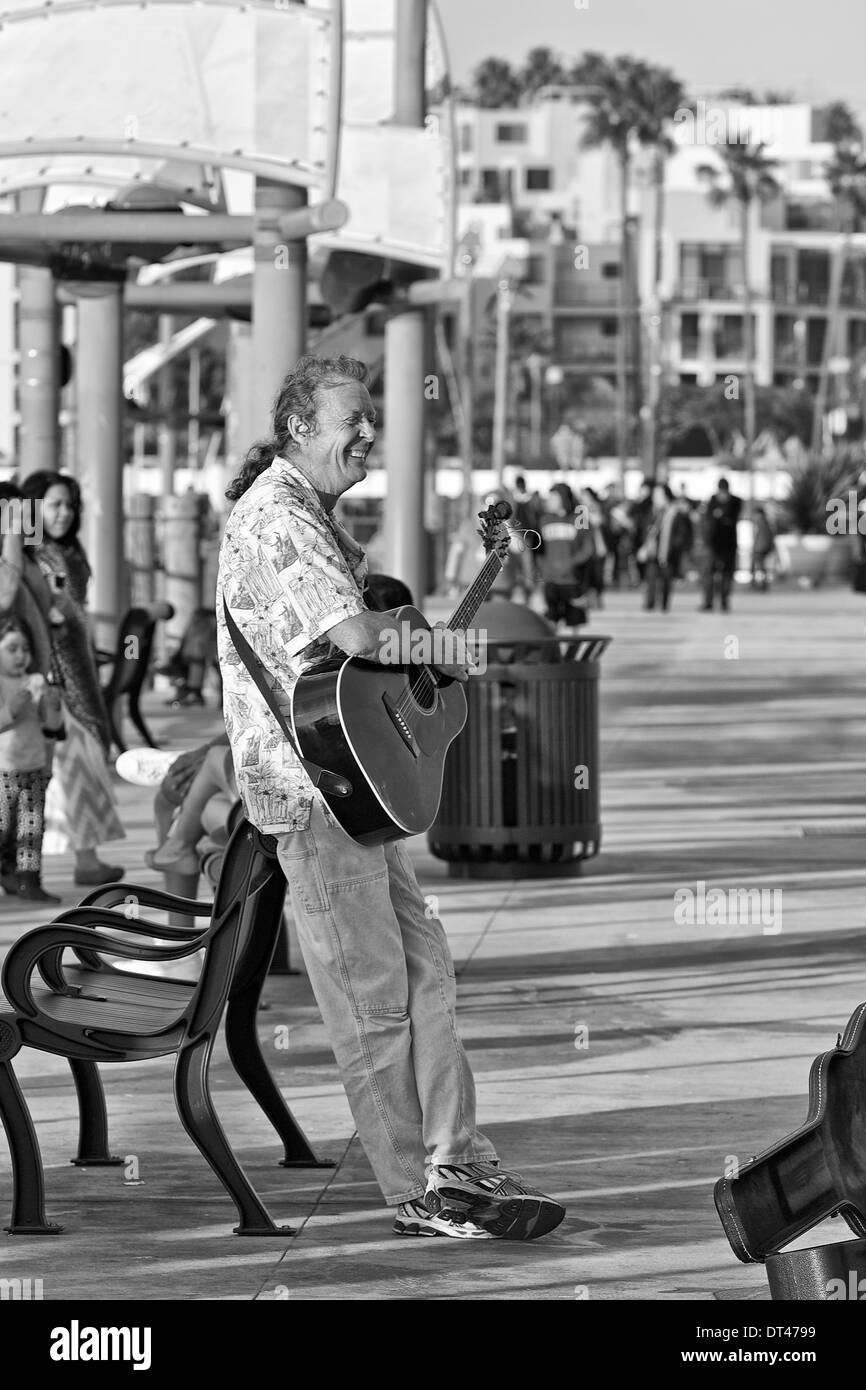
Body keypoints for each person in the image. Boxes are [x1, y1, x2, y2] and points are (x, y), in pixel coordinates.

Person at [217, 353, 565, 1242]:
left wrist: (418, 648)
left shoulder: (316, 518)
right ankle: (417, 1190)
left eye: (374, 417)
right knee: (374, 999)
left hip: (354, 784)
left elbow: (357, 650)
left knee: (426, 973)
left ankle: (460, 1155)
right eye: (353, 419)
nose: (369, 432)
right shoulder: (279, 520)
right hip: (311, 790)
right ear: (299, 427)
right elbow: (355, 636)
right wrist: (434, 650)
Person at [19, 470, 125, 884]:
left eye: (70, 505)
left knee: (73, 769)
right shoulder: (33, 554)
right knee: (70, 765)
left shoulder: (66, 551)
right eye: (54, 505)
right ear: (32, 508)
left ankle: (83, 859)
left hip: (71, 671)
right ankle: (82, 860)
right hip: (53, 678)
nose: (64, 513)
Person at [0, 615, 66, 901]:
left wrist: (53, 708)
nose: (20, 656)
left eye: (25, 649)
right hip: (3, 770)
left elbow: (51, 729)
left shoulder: (36, 681)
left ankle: (29, 880)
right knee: (2, 828)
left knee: (32, 827)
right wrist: (11, 710)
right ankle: (7, 873)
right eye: (12, 649)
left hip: (35, 768)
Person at [535, 483, 588, 628]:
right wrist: (543, 568)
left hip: (572, 579)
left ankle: (573, 650)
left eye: (554, 497)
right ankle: (553, 650)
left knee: (574, 622)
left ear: (563, 498)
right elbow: (538, 550)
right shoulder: (544, 520)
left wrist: (571, 563)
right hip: (551, 579)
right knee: (551, 620)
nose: (550, 501)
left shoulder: (580, 519)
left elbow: (588, 547)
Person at [641, 485, 694, 612]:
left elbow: (682, 534)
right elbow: (646, 530)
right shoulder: (652, 512)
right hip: (653, 552)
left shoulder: (674, 512)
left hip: (668, 553)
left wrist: (673, 547)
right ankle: (650, 604)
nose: (654, 498)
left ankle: (664, 605)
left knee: (666, 579)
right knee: (651, 577)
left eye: (657, 495)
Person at [700, 476, 742, 612]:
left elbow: (731, 517)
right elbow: (708, 519)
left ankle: (724, 601)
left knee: (726, 574)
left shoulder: (735, 501)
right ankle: (708, 601)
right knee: (709, 574)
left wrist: (720, 515)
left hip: (729, 545)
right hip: (713, 543)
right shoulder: (712, 500)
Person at [750, 505, 776, 592]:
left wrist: (757, 547)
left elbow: (763, 537)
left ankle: (761, 585)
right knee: (760, 567)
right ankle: (761, 585)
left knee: (759, 567)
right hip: (761, 547)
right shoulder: (765, 522)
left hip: (760, 548)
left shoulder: (761, 522)